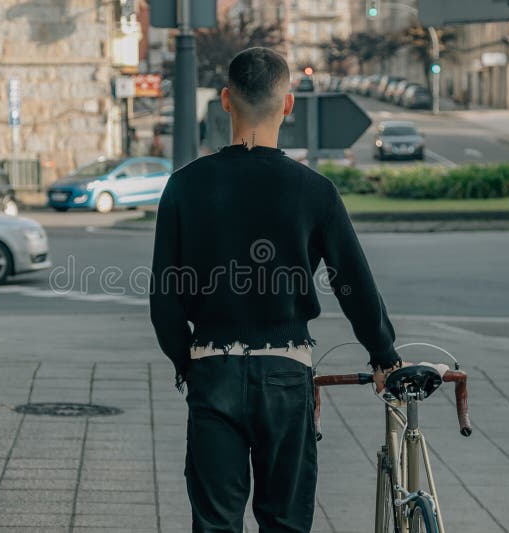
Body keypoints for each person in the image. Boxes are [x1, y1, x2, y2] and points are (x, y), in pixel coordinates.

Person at [149, 47, 401, 533]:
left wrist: (189, 363)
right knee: (285, 521)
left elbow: (164, 302)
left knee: (216, 522)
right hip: (286, 375)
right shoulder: (314, 190)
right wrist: (383, 354)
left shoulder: (184, 187)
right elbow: (353, 284)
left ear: (225, 101)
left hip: (213, 369)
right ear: (287, 106)